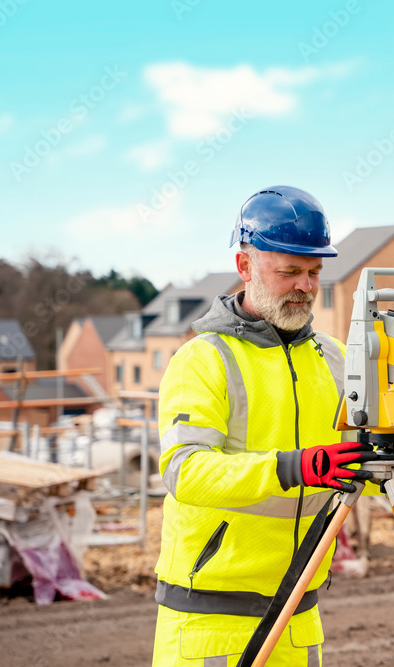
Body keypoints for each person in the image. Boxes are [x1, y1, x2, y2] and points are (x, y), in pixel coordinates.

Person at [151, 186, 376, 666]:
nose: (306, 286)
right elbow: (184, 472)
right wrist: (293, 468)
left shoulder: (335, 359)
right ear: (245, 266)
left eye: (315, 272)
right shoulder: (203, 360)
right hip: (211, 622)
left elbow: (353, 472)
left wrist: (389, 460)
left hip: (299, 615)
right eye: (289, 271)